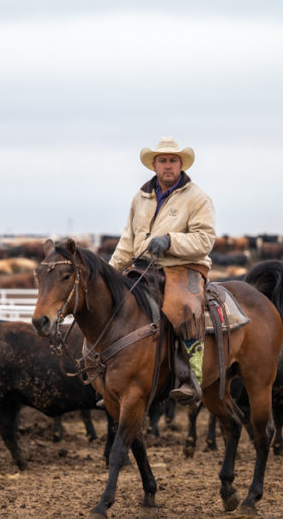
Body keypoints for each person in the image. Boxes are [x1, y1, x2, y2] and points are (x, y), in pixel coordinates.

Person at [108, 136, 216, 405]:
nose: (168, 165)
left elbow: (205, 240)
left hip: (184, 266)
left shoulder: (198, 198)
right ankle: (113, 374)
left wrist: (170, 241)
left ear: (181, 165)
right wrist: (110, 273)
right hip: (145, 267)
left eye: (173, 160)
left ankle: (192, 375)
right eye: (163, 160)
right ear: (154, 165)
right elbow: (127, 241)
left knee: (185, 307)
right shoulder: (140, 197)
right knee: (113, 304)